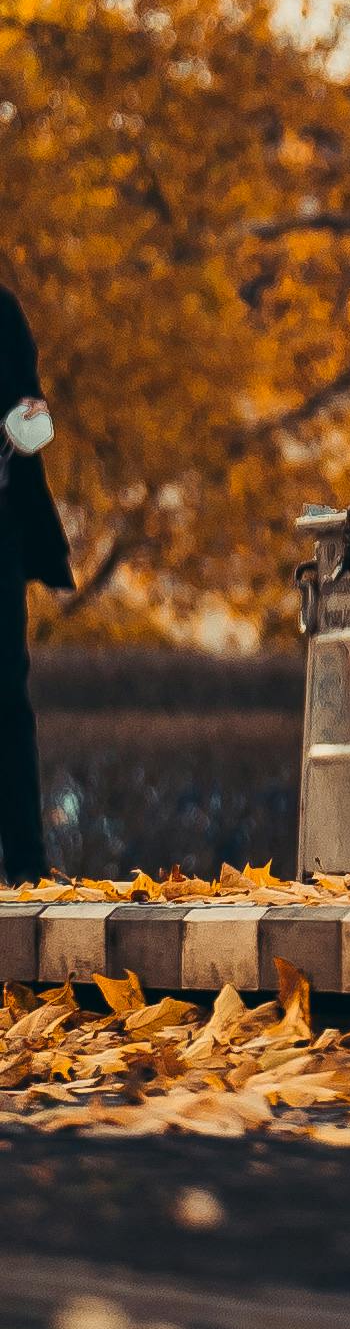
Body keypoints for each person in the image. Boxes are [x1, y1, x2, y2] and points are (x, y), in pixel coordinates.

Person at [0, 290, 72, 890]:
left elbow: (33, 415)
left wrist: (28, 418)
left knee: (6, 696)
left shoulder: (3, 311)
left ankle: (25, 864)